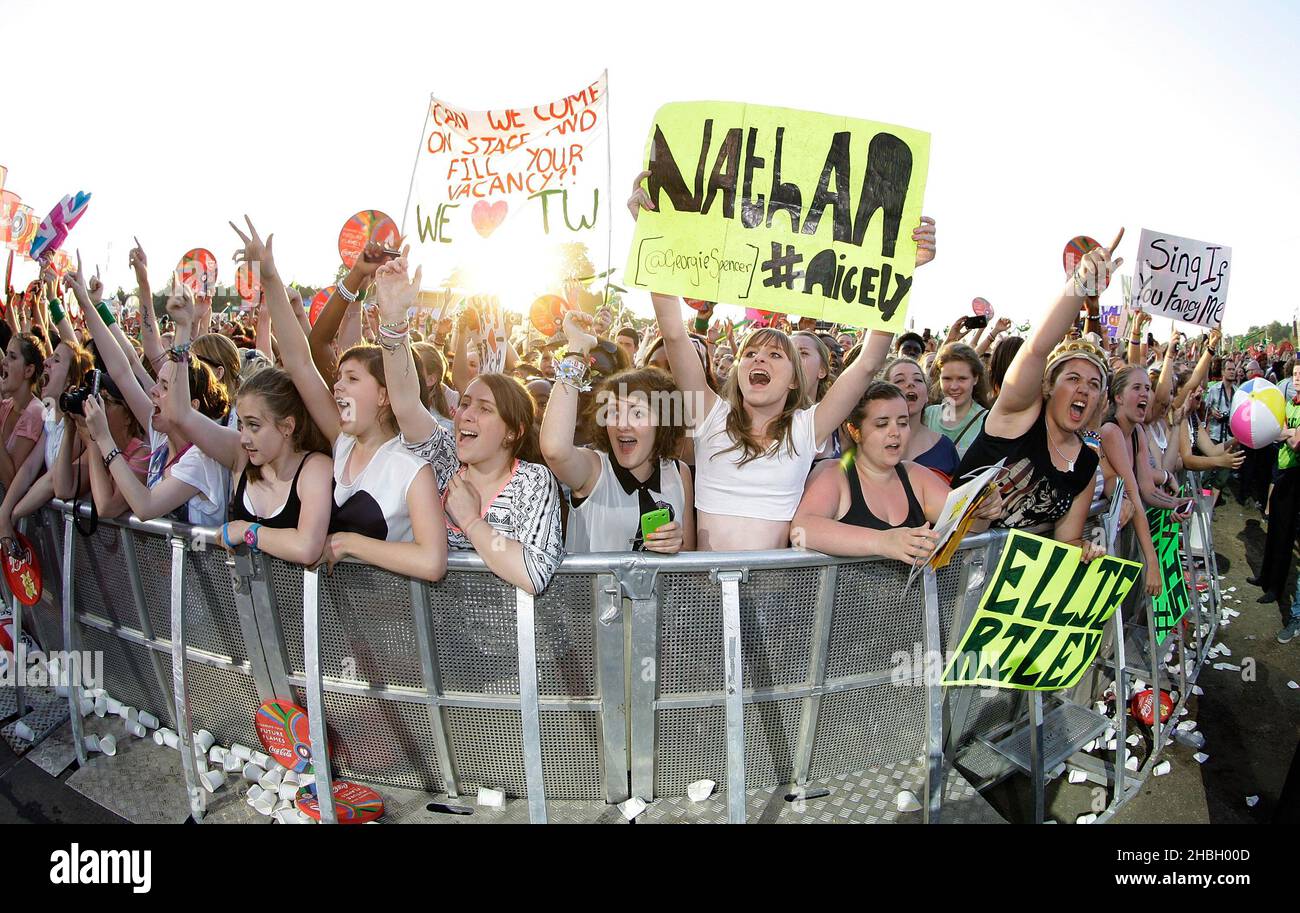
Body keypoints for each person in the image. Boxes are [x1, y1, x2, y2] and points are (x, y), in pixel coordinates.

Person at [629, 170, 935, 550]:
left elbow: (869, 361)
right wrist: (652, 234)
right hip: (707, 593)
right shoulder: (709, 415)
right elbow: (674, 333)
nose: (760, 359)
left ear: (794, 380)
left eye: (776, 354)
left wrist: (900, 268)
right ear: (739, 370)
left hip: (778, 597)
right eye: (750, 353)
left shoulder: (807, 429)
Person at [243, 217, 447, 583]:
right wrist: (270, 277)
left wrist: (348, 543)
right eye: (338, 379)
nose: (337, 388)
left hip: (397, 626)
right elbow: (300, 360)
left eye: (351, 379)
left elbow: (432, 562)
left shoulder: (411, 469)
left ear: (384, 395)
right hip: (340, 627)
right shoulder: (343, 444)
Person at [370, 252, 563, 595]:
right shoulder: (445, 462)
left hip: (519, 646)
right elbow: (404, 404)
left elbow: (533, 572)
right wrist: (394, 319)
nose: (466, 415)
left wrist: (472, 522)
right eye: (466, 404)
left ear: (513, 431)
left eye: (485, 409)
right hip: (444, 644)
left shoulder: (533, 481)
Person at [956, 230, 1124, 556]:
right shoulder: (1019, 414)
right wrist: (1080, 282)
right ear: (1048, 385)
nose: (1083, 390)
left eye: (1094, 384)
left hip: (1004, 597)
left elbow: (1068, 540)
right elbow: (1036, 349)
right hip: (947, 584)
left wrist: (1085, 550)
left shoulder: (1087, 464)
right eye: (1073, 378)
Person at [164, 292, 333, 565]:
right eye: (241, 425)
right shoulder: (240, 454)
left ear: (287, 426)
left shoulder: (316, 468)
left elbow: (307, 547)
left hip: (304, 607)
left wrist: (248, 531)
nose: (244, 437)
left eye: (254, 426)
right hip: (243, 606)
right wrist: (183, 330)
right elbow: (181, 414)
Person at [66, 259, 232, 527]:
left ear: (191, 404)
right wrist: (87, 303)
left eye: (165, 387)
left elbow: (145, 506)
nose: (153, 391)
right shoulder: (161, 438)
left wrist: (103, 438)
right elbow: (124, 369)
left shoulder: (199, 459)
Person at [793, 382, 1001, 561]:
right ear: (855, 431)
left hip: (911, 606)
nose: (895, 433)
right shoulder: (833, 473)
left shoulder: (915, 475)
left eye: (902, 423)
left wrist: (985, 508)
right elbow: (801, 531)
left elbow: (970, 524)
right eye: (882, 424)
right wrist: (882, 542)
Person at [542, 311, 693, 554]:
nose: (622, 424)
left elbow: (690, 560)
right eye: (613, 411)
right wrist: (577, 349)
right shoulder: (593, 470)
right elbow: (555, 449)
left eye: (637, 413)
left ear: (662, 422)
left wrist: (678, 544)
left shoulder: (679, 473)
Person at [1098, 366, 1181, 597]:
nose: (1145, 393)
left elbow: (1147, 489)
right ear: (1118, 397)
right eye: (1136, 388)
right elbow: (1133, 493)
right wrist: (1151, 562)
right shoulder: (1110, 431)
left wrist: (1176, 504)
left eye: (1147, 388)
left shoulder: (1138, 432)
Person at [923, 342, 990, 457]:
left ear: (975, 379)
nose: (954, 386)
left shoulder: (986, 422)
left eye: (962, 379)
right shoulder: (928, 415)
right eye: (947, 379)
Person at [0, 333, 45, 489]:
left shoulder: (34, 412)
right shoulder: (5, 406)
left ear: (28, 371)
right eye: (6, 355)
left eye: (12, 357)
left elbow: (12, 483)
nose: (3, 361)